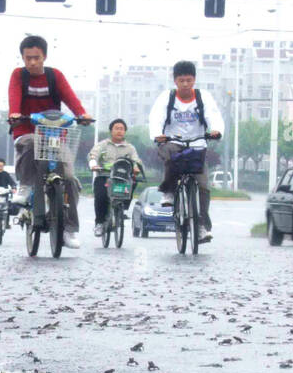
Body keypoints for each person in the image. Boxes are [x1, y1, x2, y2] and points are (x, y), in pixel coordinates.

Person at [8, 35, 94, 249]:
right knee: (29, 143)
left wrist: (81, 113)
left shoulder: (55, 76)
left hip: (54, 135)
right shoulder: (18, 75)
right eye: (28, 58)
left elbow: (70, 97)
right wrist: (14, 113)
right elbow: (14, 96)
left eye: (36, 58)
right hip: (26, 129)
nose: (32, 62)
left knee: (71, 179)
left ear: (44, 56)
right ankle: (26, 186)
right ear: (23, 58)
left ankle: (70, 229)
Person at [148, 60, 224, 245]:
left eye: (189, 80)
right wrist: (157, 135)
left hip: (197, 144)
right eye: (181, 80)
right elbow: (156, 117)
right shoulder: (167, 97)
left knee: (203, 186)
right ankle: (169, 191)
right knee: (172, 156)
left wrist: (216, 130)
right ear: (175, 81)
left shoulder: (203, 97)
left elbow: (213, 116)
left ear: (194, 80)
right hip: (172, 141)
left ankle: (201, 227)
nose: (185, 84)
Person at [87, 118, 144, 237]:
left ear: (125, 132)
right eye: (117, 128)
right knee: (101, 196)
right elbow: (94, 155)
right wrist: (93, 164)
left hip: (122, 178)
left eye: (122, 129)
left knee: (132, 183)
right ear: (111, 131)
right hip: (104, 176)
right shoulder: (103, 145)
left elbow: (136, 160)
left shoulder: (130, 148)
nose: (119, 131)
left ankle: (121, 208)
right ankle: (99, 223)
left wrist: (136, 167)